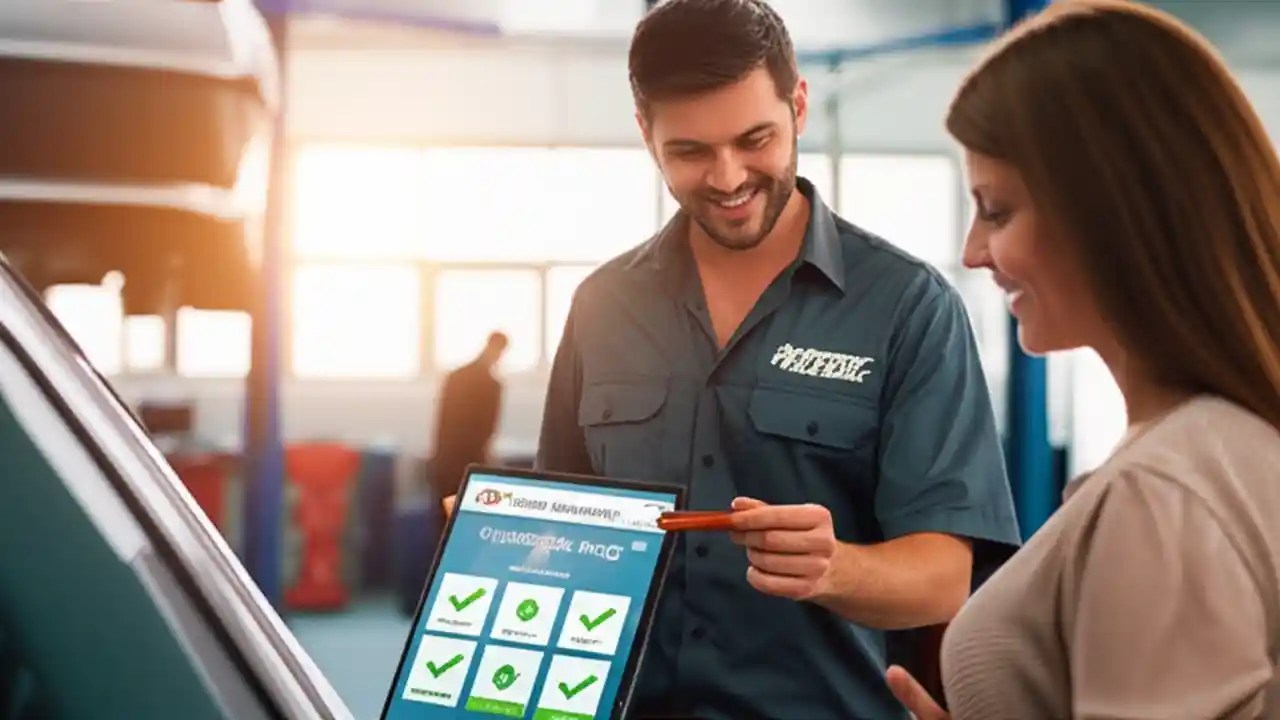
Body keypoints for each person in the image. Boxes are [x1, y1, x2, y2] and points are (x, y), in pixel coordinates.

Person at [528, 1, 1023, 717]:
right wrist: (504, 534)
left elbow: (943, 580)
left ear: (798, 105)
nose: (728, 178)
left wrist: (837, 568)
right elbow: (565, 531)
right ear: (646, 134)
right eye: (690, 152)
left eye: (753, 139)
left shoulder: (907, 307)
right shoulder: (601, 305)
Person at [882, 2, 1280, 719]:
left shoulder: (1161, 493)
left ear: (1110, 212)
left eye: (997, 210)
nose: (974, 252)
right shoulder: (1222, 452)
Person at [430, 331, 507, 500]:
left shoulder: (455, 377)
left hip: (446, 459)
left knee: (444, 518)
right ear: (500, 352)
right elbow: (488, 429)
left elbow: (441, 423)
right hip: (469, 462)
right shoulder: (492, 386)